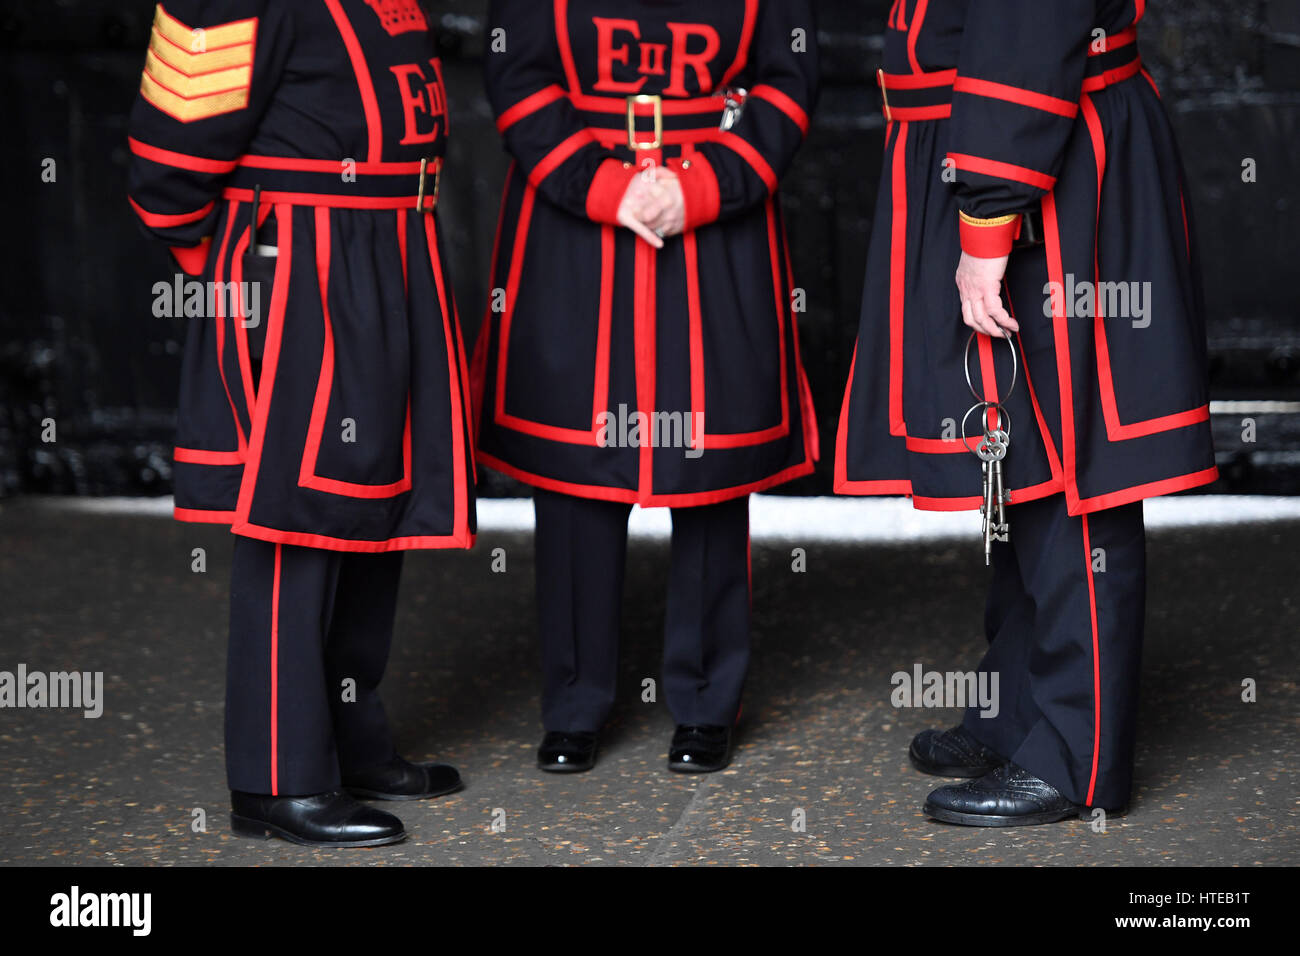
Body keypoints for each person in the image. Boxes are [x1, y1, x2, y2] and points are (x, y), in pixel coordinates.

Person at [836, 0, 1217, 825]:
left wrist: (986, 222)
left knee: (1069, 456)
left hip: (1042, 166)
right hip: (997, 153)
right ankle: (1019, 714)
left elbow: (1027, 30)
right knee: (1015, 453)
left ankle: (1074, 760)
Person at [126, 0, 476, 846]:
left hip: (393, 249)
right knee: (295, 520)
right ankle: (277, 779)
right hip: (304, 269)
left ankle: (352, 744)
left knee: (369, 505)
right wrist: (252, 260)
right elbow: (165, 166)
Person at [472, 0, 820, 773]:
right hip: (573, 219)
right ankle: (574, 701)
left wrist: (700, 187)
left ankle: (705, 703)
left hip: (719, 223)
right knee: (573, 474)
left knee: (710, 471)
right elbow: (517, 70)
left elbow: (787, 81)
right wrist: (601, 184)